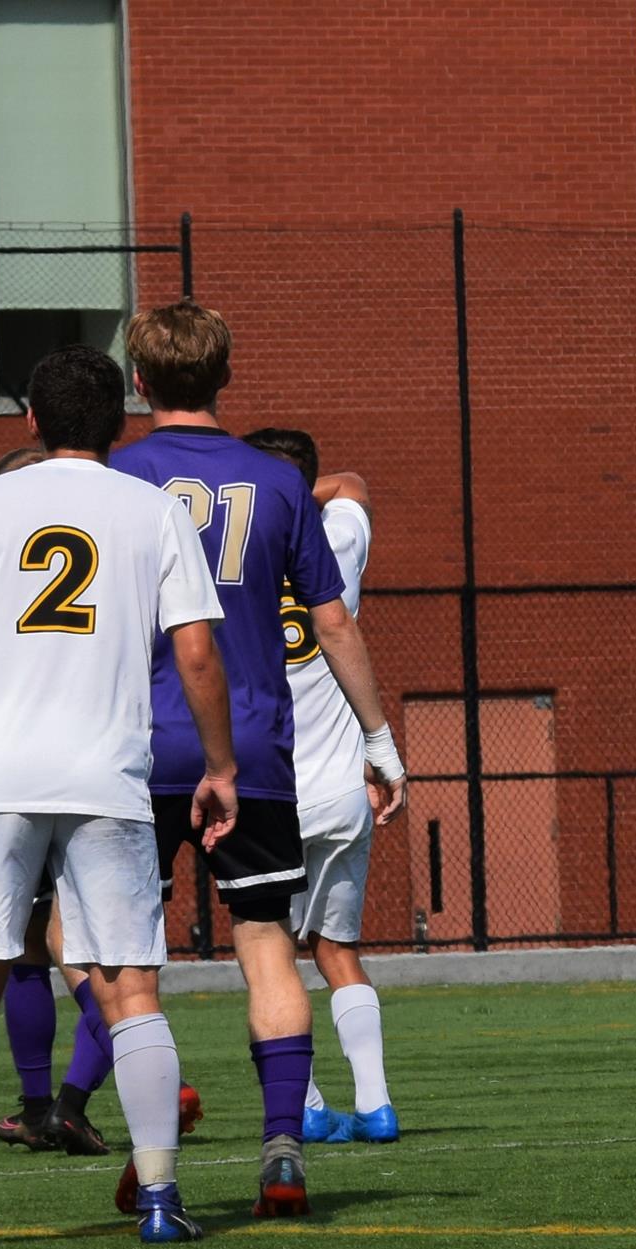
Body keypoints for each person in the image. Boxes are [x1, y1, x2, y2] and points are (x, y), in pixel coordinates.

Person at [0, 344, 231, 1249]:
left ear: (31, 423)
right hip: (106, 778)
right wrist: (222, 766)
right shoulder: (151, 509)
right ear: (120, 423)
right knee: (132, 991)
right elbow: (197, 651)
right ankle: (159, 1198)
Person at [109, 302, 407, 1216]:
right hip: (252, 751)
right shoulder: (278, 484)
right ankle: (283, 1146)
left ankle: (154, 1152)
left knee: (125, 961)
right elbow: (331, 619)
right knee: (269, 942)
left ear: (140, 381)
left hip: (134, 750)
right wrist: (380, 738)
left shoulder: (116, 474)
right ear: (225, 377)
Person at [246, 428, 400, 1144]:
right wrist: (298, 491)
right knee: (338, 950)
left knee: (269, 952)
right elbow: (356, 482)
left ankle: (304, 1105)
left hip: (266, 792)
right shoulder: (336, 536)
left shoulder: (229, 547)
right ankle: (376, 1105)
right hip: (340, 790)